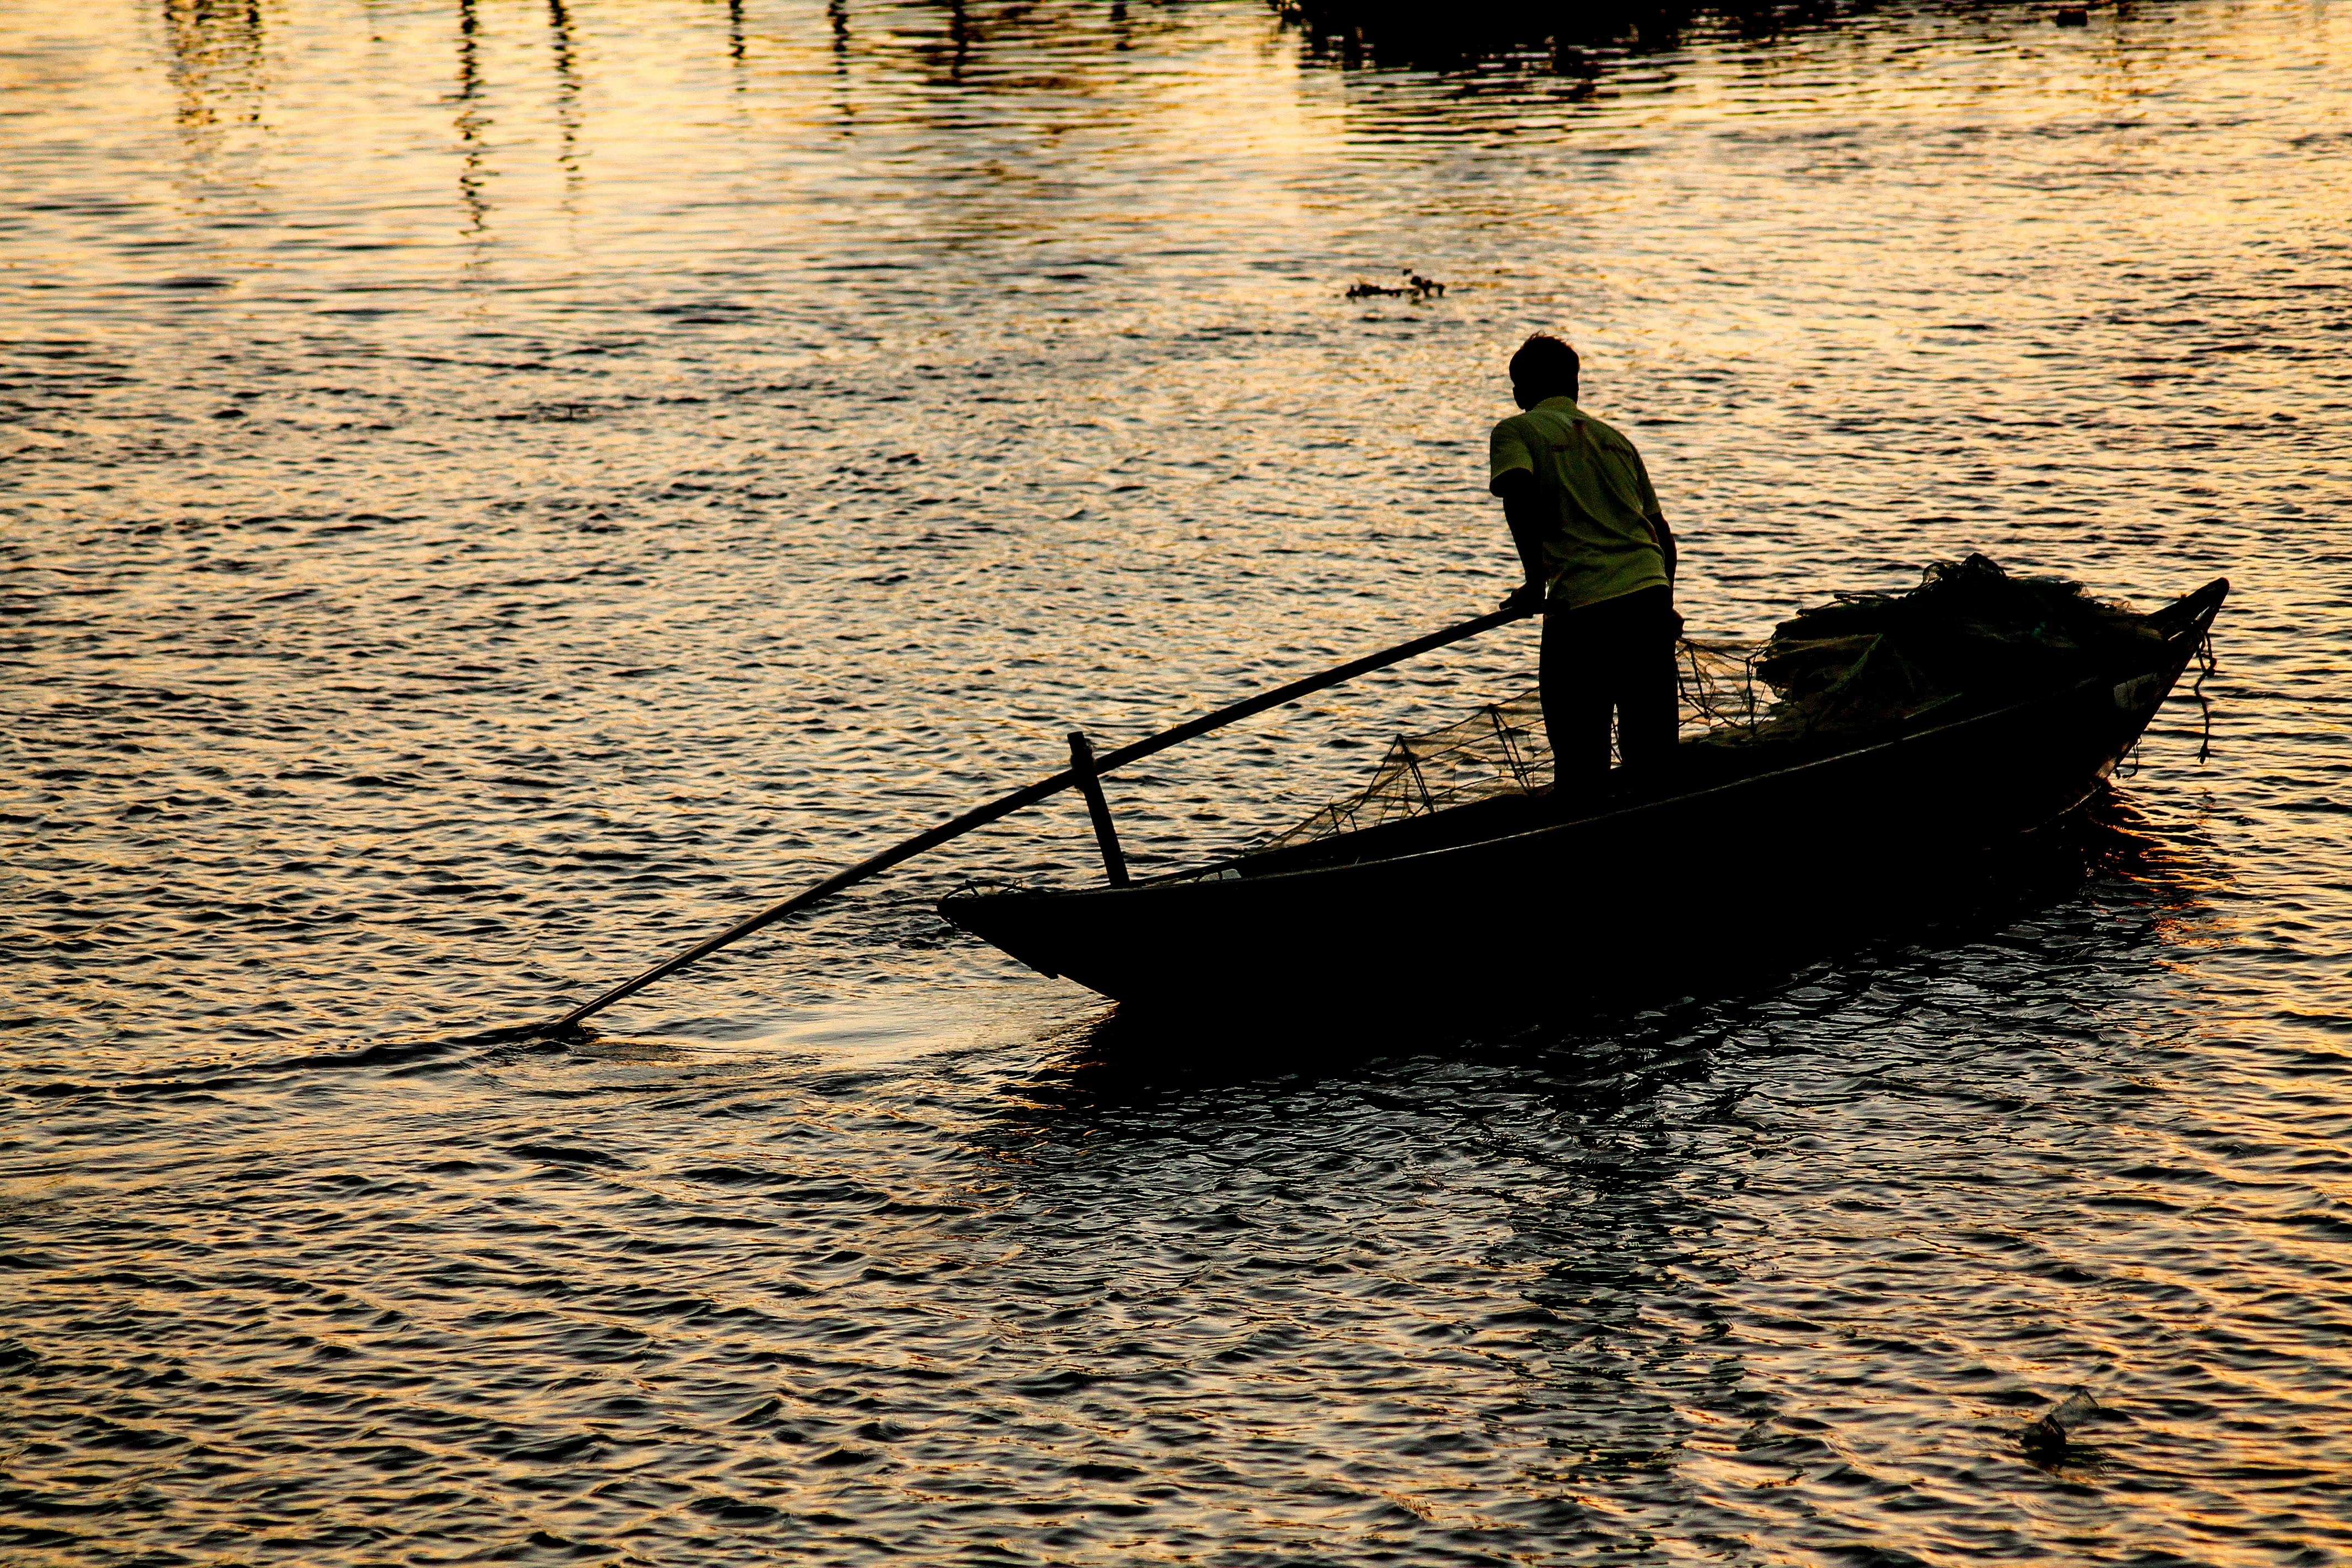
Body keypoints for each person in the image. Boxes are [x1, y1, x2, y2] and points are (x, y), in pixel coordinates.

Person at [1488, 333, 1681, 783]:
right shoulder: (1616, 440)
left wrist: (1536, 584)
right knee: (1653, 758)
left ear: (1520, 394)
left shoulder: (1516, 430)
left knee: (1579, 758)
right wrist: (1666, 601)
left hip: (1583, 609)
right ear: (1575, 387)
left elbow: (1516, 494)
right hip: (1648, 601)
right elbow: (1663, 536)